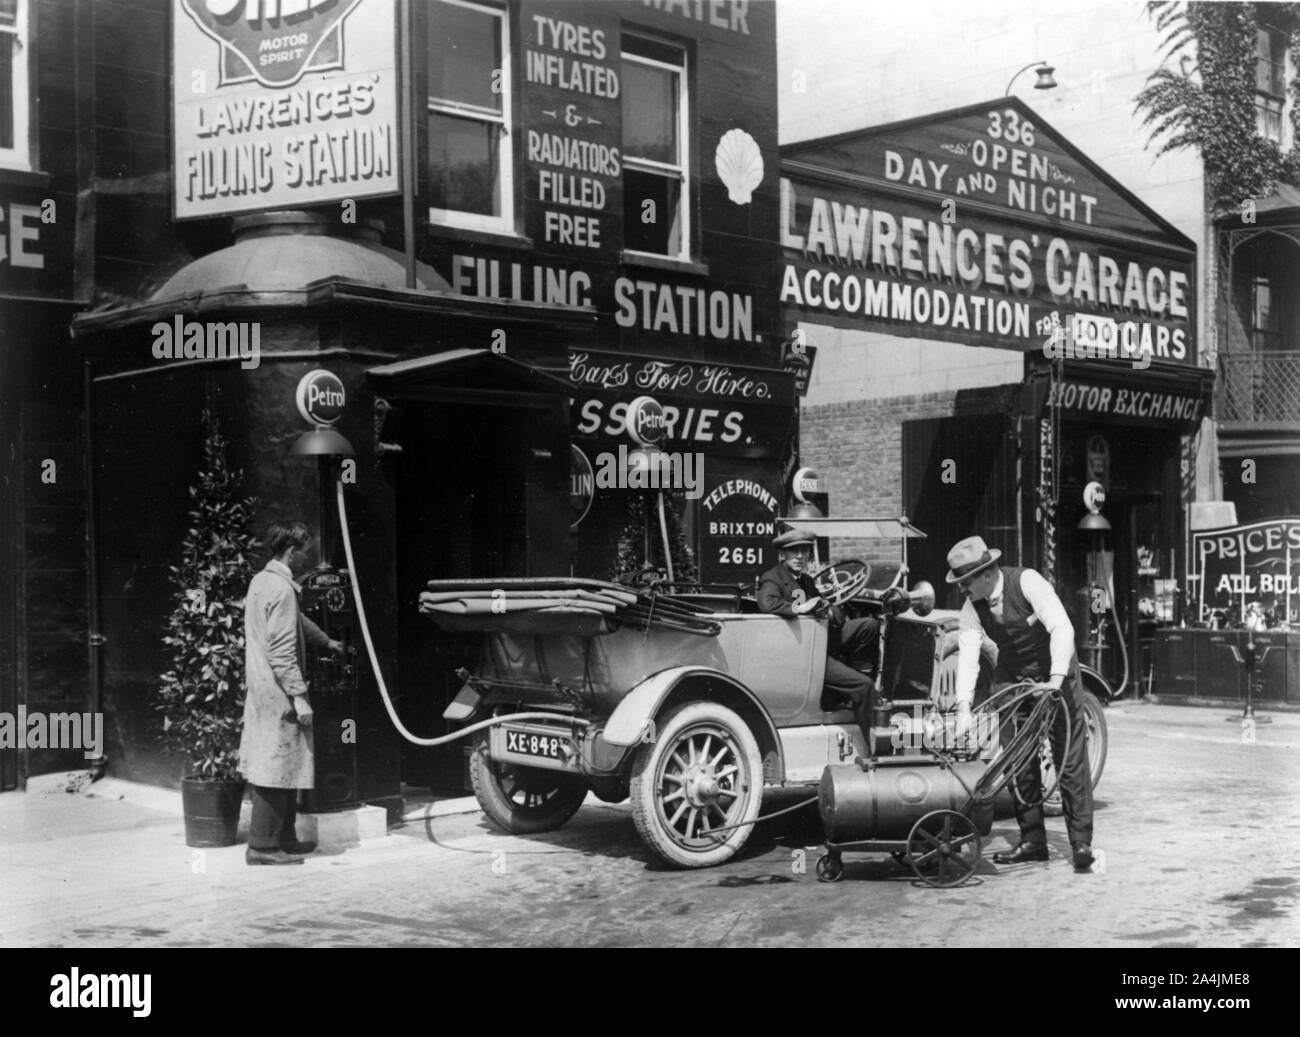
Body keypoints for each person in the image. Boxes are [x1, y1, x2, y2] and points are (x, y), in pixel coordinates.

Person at [947, 535, 1095, 871]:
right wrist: (964, 707)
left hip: (1055, 672)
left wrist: (1055, 681)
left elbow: (1062, 628)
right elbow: (968, 658)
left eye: (965, 582)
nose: (962, 589)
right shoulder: (972, 607)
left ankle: (1081, 844)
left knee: (1069, 760)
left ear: (986, 574)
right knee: (1018, 759)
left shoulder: (1027, 582)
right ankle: (1033, 842)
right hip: (1013, 676)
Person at [238, 522, 342, 865]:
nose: (307, 558)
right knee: (276, 764)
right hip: (279, 689)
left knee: (284, 763)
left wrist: (325, 641)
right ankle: (263, 847)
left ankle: (284, 838)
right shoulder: (282, 590)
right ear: (292, 552)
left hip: (261, 687)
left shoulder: (262, 582)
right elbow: (281, 649)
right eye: (305, 552)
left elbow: (293, 621)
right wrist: (298, 695)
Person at [757, 528, 880, 719]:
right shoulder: (773, 577)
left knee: (869, 626)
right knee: (864, 686)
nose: (800, 556)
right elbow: (767, 602)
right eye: (794, 551)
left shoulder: (805, 580)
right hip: (804, 652)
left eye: (804, 551)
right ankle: (867, 733)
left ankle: (853, 681)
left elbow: (828, 606)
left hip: (821, 638)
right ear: (783, 554)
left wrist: (829, 610)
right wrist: (801, 608)